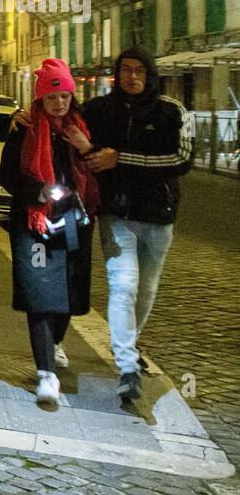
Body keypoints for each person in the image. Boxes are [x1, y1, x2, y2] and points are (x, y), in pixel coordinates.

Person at [79, 46, 194, 400]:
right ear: (117, 73)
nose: (132, 77)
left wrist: (120, 159)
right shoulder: (99, 110)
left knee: (146, 291)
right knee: (124, 286)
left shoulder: (172, 111)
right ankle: (128, 366)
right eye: (126, 70)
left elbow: (181, 159)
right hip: (117, 214)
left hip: (159, 216)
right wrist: (25, 116)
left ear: (150, 74)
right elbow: (61, 115)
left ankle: (128, 344)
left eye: (139, 70)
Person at [0, 58, 100, 405]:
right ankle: (46, 374)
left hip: (74, 220)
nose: (59, 104)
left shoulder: (83, 129)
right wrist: (37, 192)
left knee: (69, 295)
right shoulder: (24, 128)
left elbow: (101, 171)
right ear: (41, 99)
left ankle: (55, 343)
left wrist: (85, 148)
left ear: (72, 98)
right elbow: (6, 175)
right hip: (33, 221)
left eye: (65, 97)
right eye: (52, 98)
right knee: (40, 293)